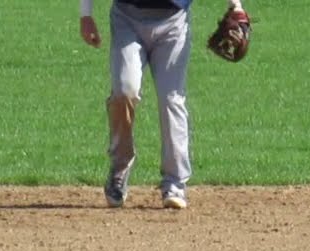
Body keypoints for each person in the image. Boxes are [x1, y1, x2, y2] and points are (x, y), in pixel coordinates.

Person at [79, 0, 243, 209]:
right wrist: (86, 15)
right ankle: (119, 167)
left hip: (174, 22)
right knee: (124, 92)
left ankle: (175, 184)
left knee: (171, 99)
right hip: (126, 18)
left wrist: (236, 5)